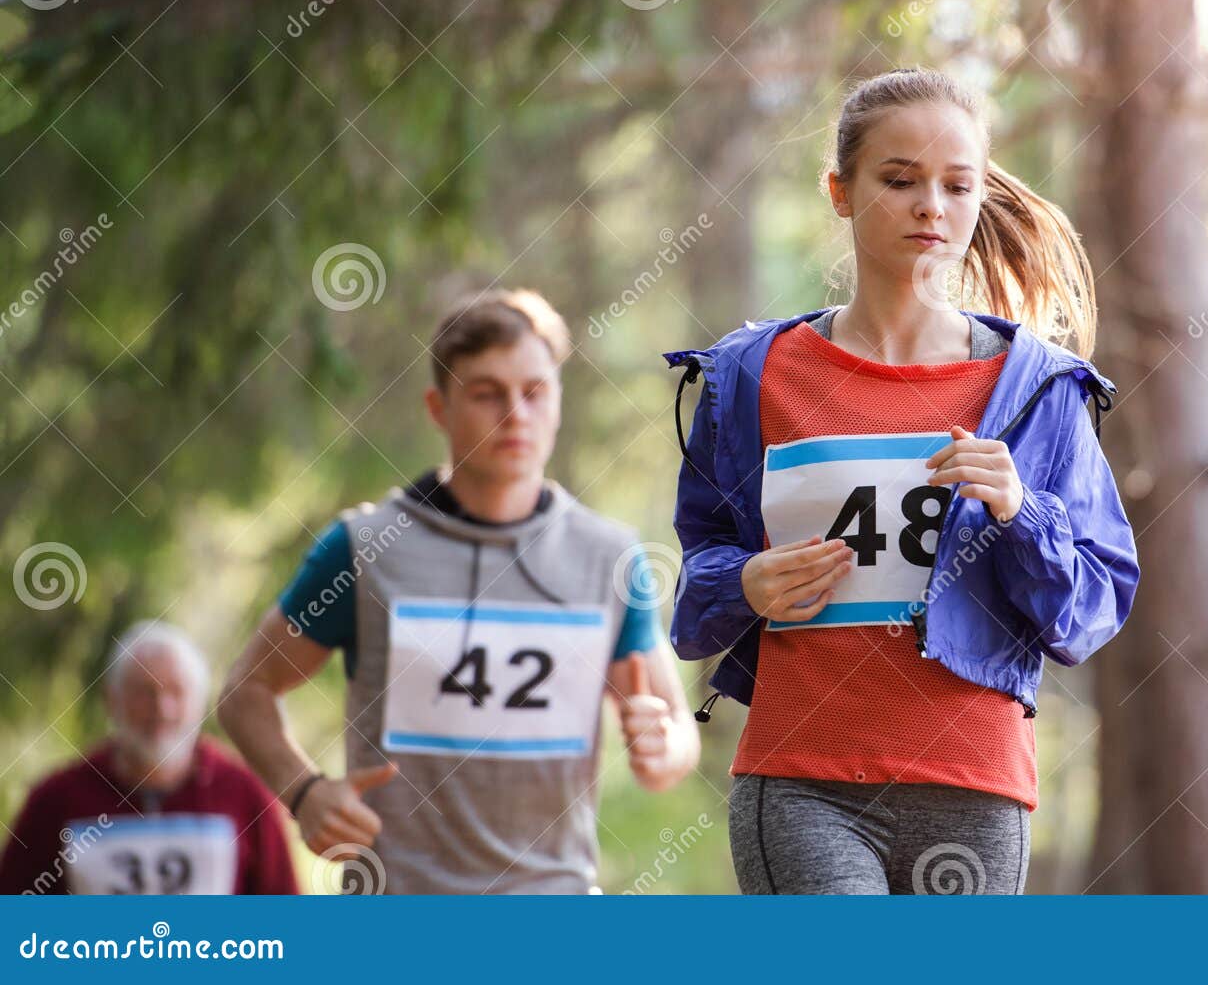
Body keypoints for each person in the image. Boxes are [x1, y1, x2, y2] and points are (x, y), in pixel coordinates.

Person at [665, 66, 1139, 895]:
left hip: (976, 791)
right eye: (900, 180)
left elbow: (1092, 609)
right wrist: (746, 581)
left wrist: (1021, 511)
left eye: (958, 186)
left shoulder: (1038, 391)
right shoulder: (752, 378)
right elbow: (693, 600)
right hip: (803, 781)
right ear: (840, 192)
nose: (932, 207)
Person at [218, 288, 699, 894]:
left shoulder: (607, 557)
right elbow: (245, 691)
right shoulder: (364, 549)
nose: (515, 415)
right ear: (438, 407)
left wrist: (665, 745)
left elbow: (676, 729)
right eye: (486, 393)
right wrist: (305, 792)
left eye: (535, 391)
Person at [0, 620, 299, 894]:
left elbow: (290, 928)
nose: (161, 709)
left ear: (199, 701)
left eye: (176, 692)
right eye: (143, 692)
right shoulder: (56, 800)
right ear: (112, 699)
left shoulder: (245, 795)